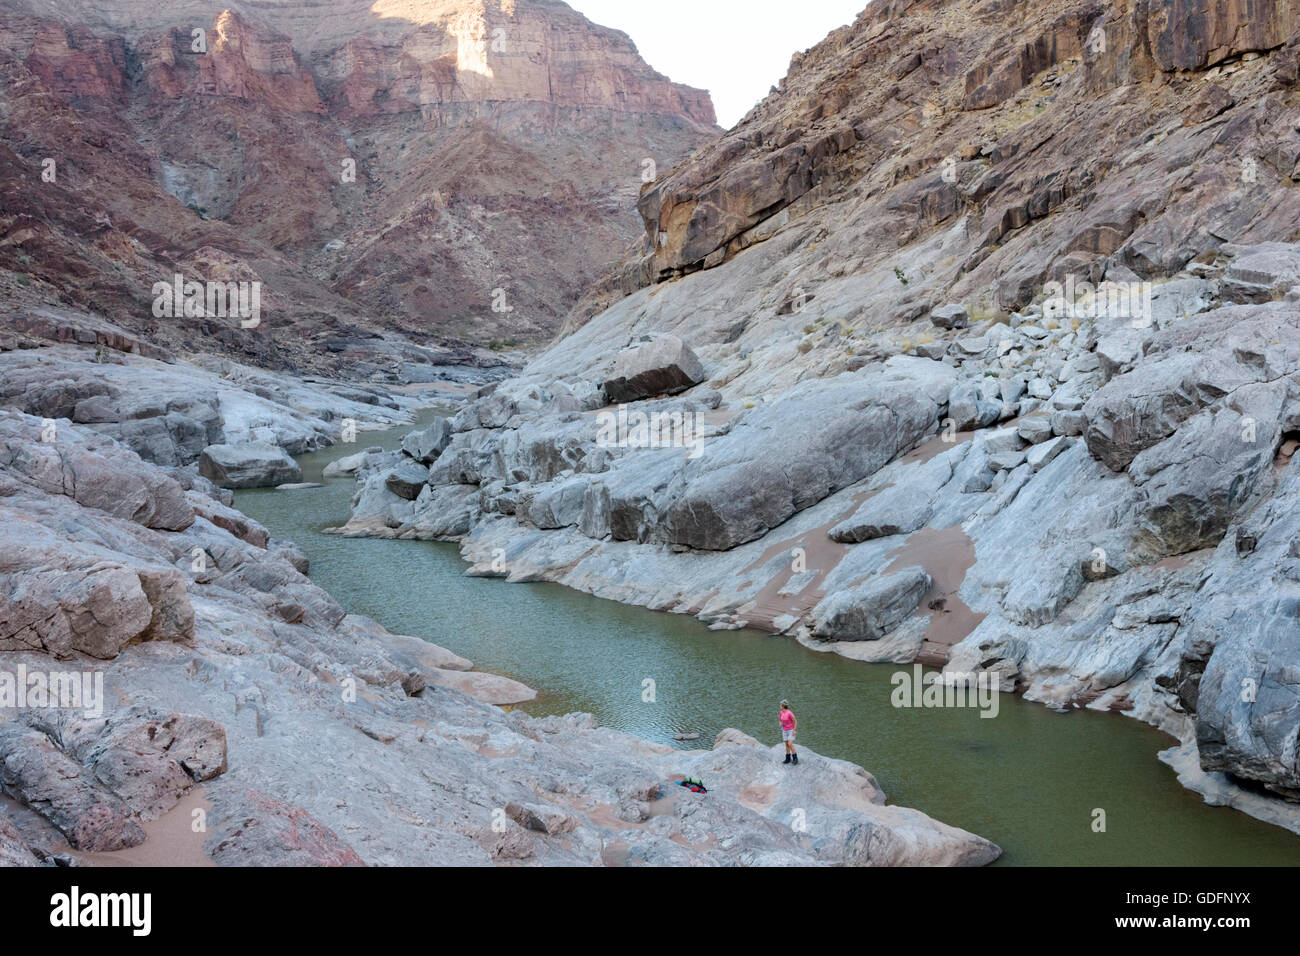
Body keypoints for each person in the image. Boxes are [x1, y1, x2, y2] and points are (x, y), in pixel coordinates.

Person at [779, 700, 798, 765]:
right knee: (786, 744)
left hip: (791, 730)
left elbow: (795, 721)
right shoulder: (781, 712)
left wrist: (794, 730)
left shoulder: (789, 713)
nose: (780, 706)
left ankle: (795, 758)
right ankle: (788, 758)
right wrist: (780, 724)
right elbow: (780, 720)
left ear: (783, 706)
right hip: (784, 730)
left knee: (790, 744)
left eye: (780, 705)